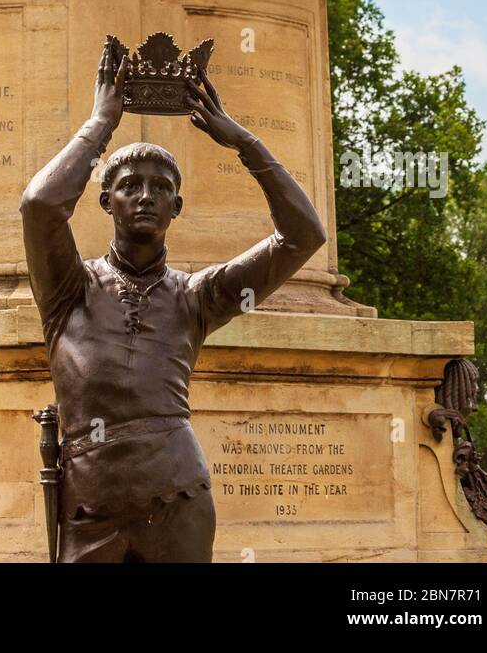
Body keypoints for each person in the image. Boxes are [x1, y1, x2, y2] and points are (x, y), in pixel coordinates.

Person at [20, 35, 327, 562]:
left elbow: (303, 236)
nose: (145, 195)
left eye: (160, 187)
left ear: (177, 206)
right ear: (104, 200)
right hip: (90, 504)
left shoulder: (197, 296)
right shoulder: (70, 287)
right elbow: (40, 206)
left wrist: (245, 144)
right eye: (130, 185)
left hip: (179, 498)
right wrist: (100, 125)